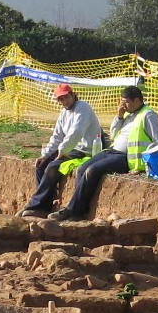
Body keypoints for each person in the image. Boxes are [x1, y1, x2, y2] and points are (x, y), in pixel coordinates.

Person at [49, 85, 158, 221]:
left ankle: (73, 211)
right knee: (82, 168)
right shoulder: (128, 114)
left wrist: (151, 164)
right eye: (122, 102)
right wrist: (119, 117)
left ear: (137, 101)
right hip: (112, 151)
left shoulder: (148, 115)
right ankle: (78, 209)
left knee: (92, 170)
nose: (123, 105)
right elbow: (113, 134)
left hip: (127, 158)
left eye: (126, 102)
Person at [19, 83, 103, 218]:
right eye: (61, 99)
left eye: (66, 97)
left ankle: (36, 205)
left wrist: (62, 151)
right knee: (41, 165)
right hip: (71, 148)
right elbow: (57, 136)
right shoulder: (64, 113)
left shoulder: (83, 108)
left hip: (84, 149)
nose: (64, 101)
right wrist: (45, 154)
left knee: (53, 166)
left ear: (73, 95)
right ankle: (45, 205)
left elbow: (76, 132)